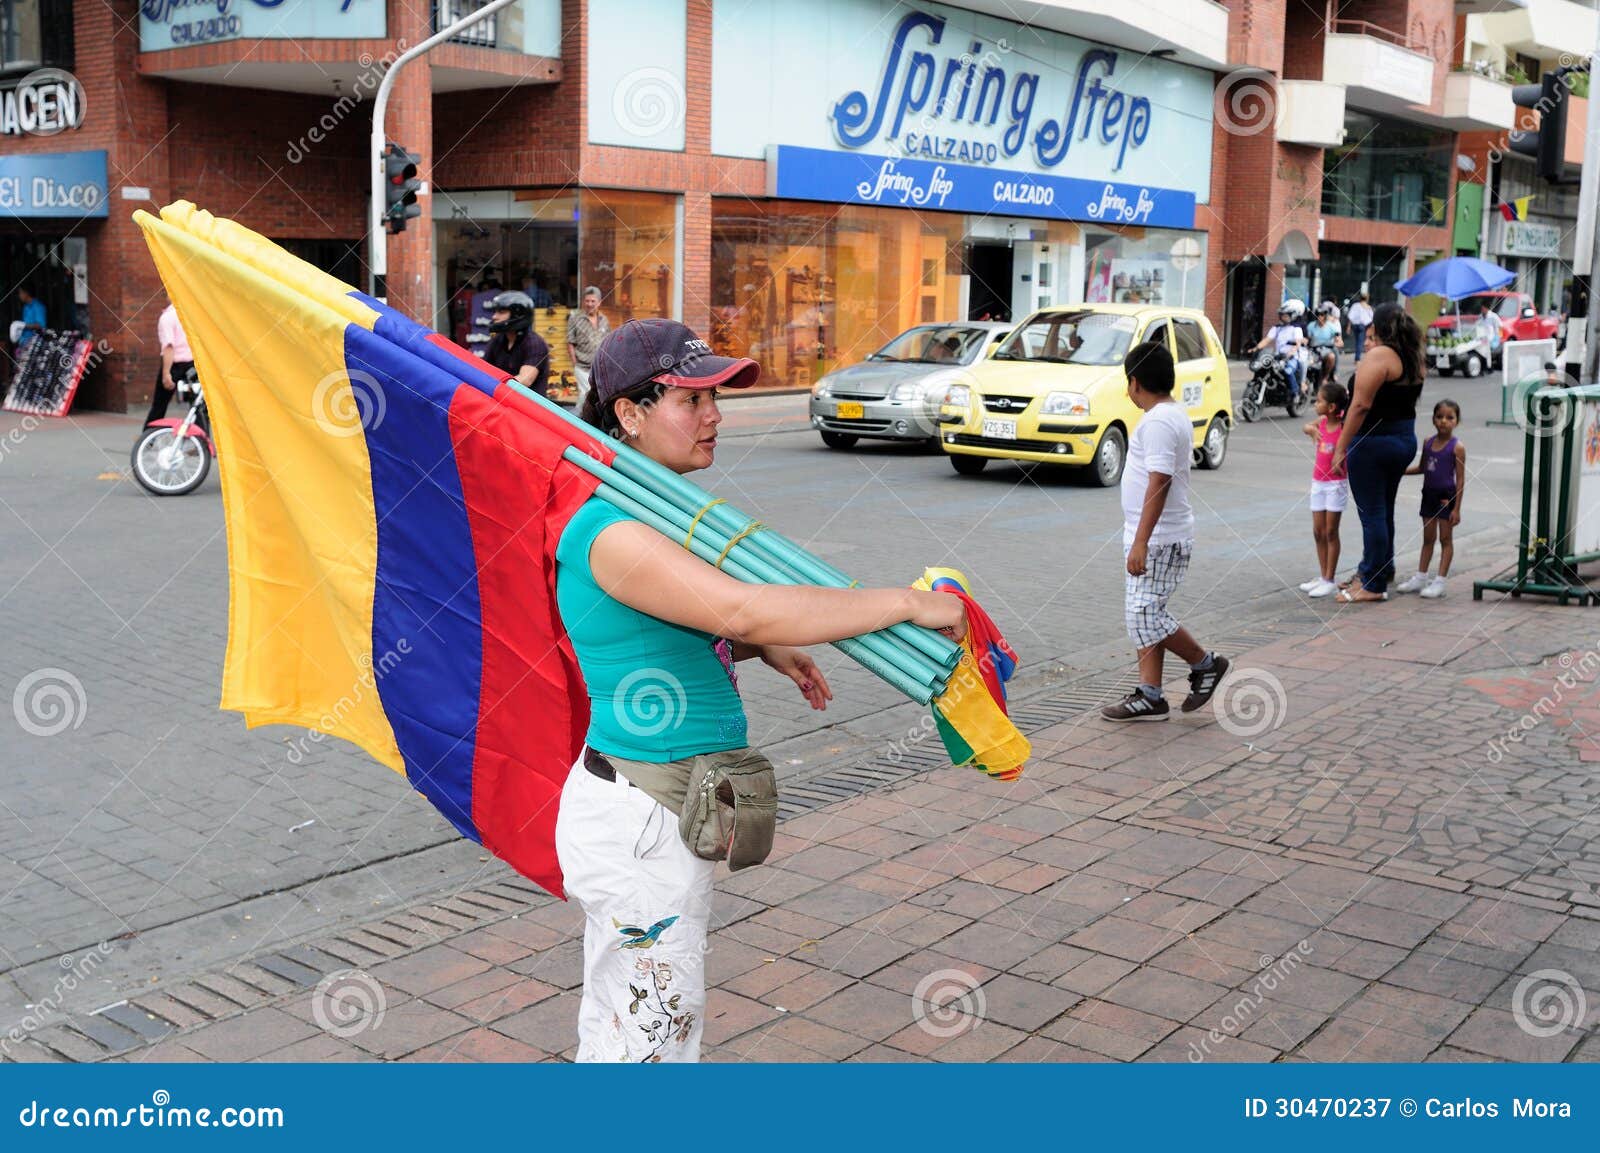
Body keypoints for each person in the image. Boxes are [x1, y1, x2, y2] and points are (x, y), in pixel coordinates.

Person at [554, 318, 966, 1062]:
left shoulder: (652, 509)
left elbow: (673, 629)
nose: (715, 416)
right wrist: (903, 603)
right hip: (641, 818)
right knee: (649, 1040)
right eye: (692, 399)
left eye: (716, 398)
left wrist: (758, 647)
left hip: (655, 807)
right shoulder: (611, 528)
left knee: (631, 1025)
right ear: (629, 413)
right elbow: (742, 602)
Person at [1101, 341, 1230, 722]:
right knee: (1147, 611)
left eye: (1128, 383)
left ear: (1135, 382)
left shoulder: (1157, 421)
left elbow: (1160, 481)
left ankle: (1206, 663)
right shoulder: (1172, 413)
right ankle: (1150, 695)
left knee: (1143, 615)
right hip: (1157, 536)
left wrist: (1141, 541)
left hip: (1159, 539)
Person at [1331, 302, 1425, 603]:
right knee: (1383, 510)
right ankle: (1381, 569)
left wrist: (1340, 446)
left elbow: (1360, 405)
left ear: (1380, 326)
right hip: (1403, 439)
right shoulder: (1412, 357)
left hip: (1373, 442)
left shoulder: (1381, 356)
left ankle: (1372, 583)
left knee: (1371, 513)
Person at [1395, 399, 1466, 599]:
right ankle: (1420, 577)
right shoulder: (1428, 442)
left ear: (1457, 421)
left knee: (1445, 539)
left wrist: (1456, 508)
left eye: (1449, 417)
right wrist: (1399, 472)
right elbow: (1422, 468)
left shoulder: (1457, 447)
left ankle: (1440, 581)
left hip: (1446, 497)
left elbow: (1460, 479)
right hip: (1429, 495)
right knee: (1428, 538)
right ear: (1433, 419)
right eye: (1439, 417)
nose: (1444, 421)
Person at [1298, 381, 1349, 599]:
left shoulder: (1343, 428)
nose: (1315, 403)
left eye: (1319, 401)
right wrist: (1310, 430)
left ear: (1331, 407)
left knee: (1330, 532)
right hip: (1318, 482)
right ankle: (1322, 575)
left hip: (1336, 484)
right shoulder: (1321, 422)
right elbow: (1305, 427)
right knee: (1318, 532)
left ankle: (1329, 578)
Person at [482, 290, 550, 395]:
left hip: (529, 407)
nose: (494, 317)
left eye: (501, 312)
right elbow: (483, 370)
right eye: (495, 312)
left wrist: (494, 387)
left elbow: (525, 380)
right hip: (502, 403)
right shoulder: (497, 341)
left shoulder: (535, 343)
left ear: (517, 315)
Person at [145, 298, 195, 426]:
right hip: (193, 365)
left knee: (159, 405)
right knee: (196, 407)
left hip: (174, 365)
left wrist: (166, 373)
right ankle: (202, 441)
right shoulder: (192, 314)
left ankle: (148, 439)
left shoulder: (167, 317)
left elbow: (169, 346)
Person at [567, 285, 610, 408]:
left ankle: (589, 421)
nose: (590, 304)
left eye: (593, 301)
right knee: (585, 394)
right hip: (582, 366)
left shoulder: (604, 320)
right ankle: (578, 421)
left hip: (599, 367)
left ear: (599, 302)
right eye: (587, 301)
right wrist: (574, 363)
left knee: (596, 395)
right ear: (583, 302)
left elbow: (607, 341)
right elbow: (570, 342)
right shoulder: (575, 319)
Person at [1253, 304, 1307, 396]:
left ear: (1292, 315)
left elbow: (1297, 344)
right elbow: (1267, 340)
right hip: (1278, 356)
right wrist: (1256, 348)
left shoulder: (1296, 329)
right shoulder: (1277, 328)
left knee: (1288, 371)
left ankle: (1295, 392)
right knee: (1263, 369)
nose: (1282, 317)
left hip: (1292, 358)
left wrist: (1289, 354)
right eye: (1281, 315)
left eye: (1285, 315)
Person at [1307, 304, 1343, 384]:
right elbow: (1307, 339)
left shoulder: (1332, 326)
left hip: (1328, 348)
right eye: (1318, 314)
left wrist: (1337, 342)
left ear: (1326, 316)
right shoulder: (1311, 326)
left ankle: (1326, 377)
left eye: (1322, 314)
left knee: (1332, 356)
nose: (1320, 316)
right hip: (1314, 349)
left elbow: (1339, 339)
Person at [15, 283, 45, 349]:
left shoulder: (38, 306)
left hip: (34, 345)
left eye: (20, 293)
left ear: (26, 293)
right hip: (24, 343)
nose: (19, 295)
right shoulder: (25, 307)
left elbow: (41, 325)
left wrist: (23, 325)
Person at [1346, 291, 1373, 361]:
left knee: (1357, 341)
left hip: (1355, 325)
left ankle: (1357, 357)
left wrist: (1348, 327)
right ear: (1367, 298)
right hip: (1363, 326)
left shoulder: (1355, 305)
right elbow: (1371, 318)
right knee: (1360, 342)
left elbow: (1350, 316)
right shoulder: (1368, 307)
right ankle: (1357, 358)